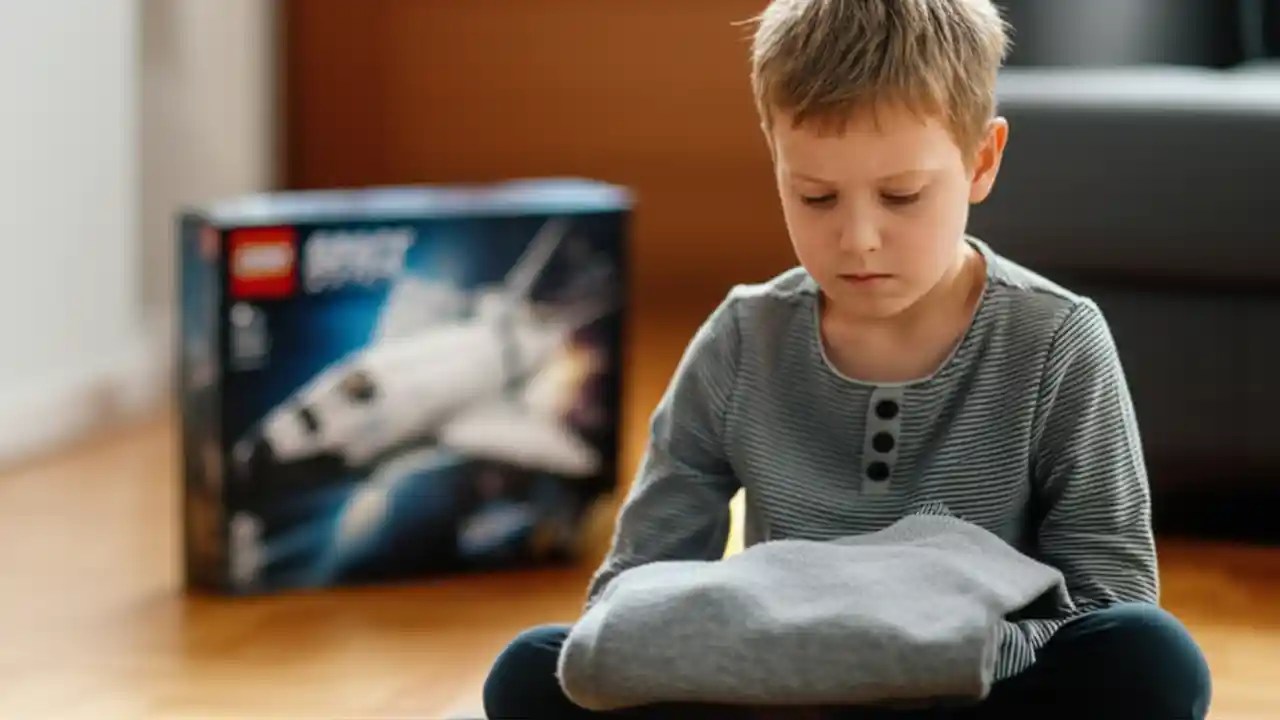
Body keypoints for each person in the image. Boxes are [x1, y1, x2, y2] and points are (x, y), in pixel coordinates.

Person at [483, 0, 1212, 717]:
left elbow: (1108, 592)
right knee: (531, 671)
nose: (858, 238)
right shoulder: (742, 339)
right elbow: (641, 580)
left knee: (1149, 657)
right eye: (817, 196)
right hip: (773, 684)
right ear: (777, 164)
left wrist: (923, 665)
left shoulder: (1056, 339)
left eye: (901, 196)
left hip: (970, 681)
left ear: (981, 161)